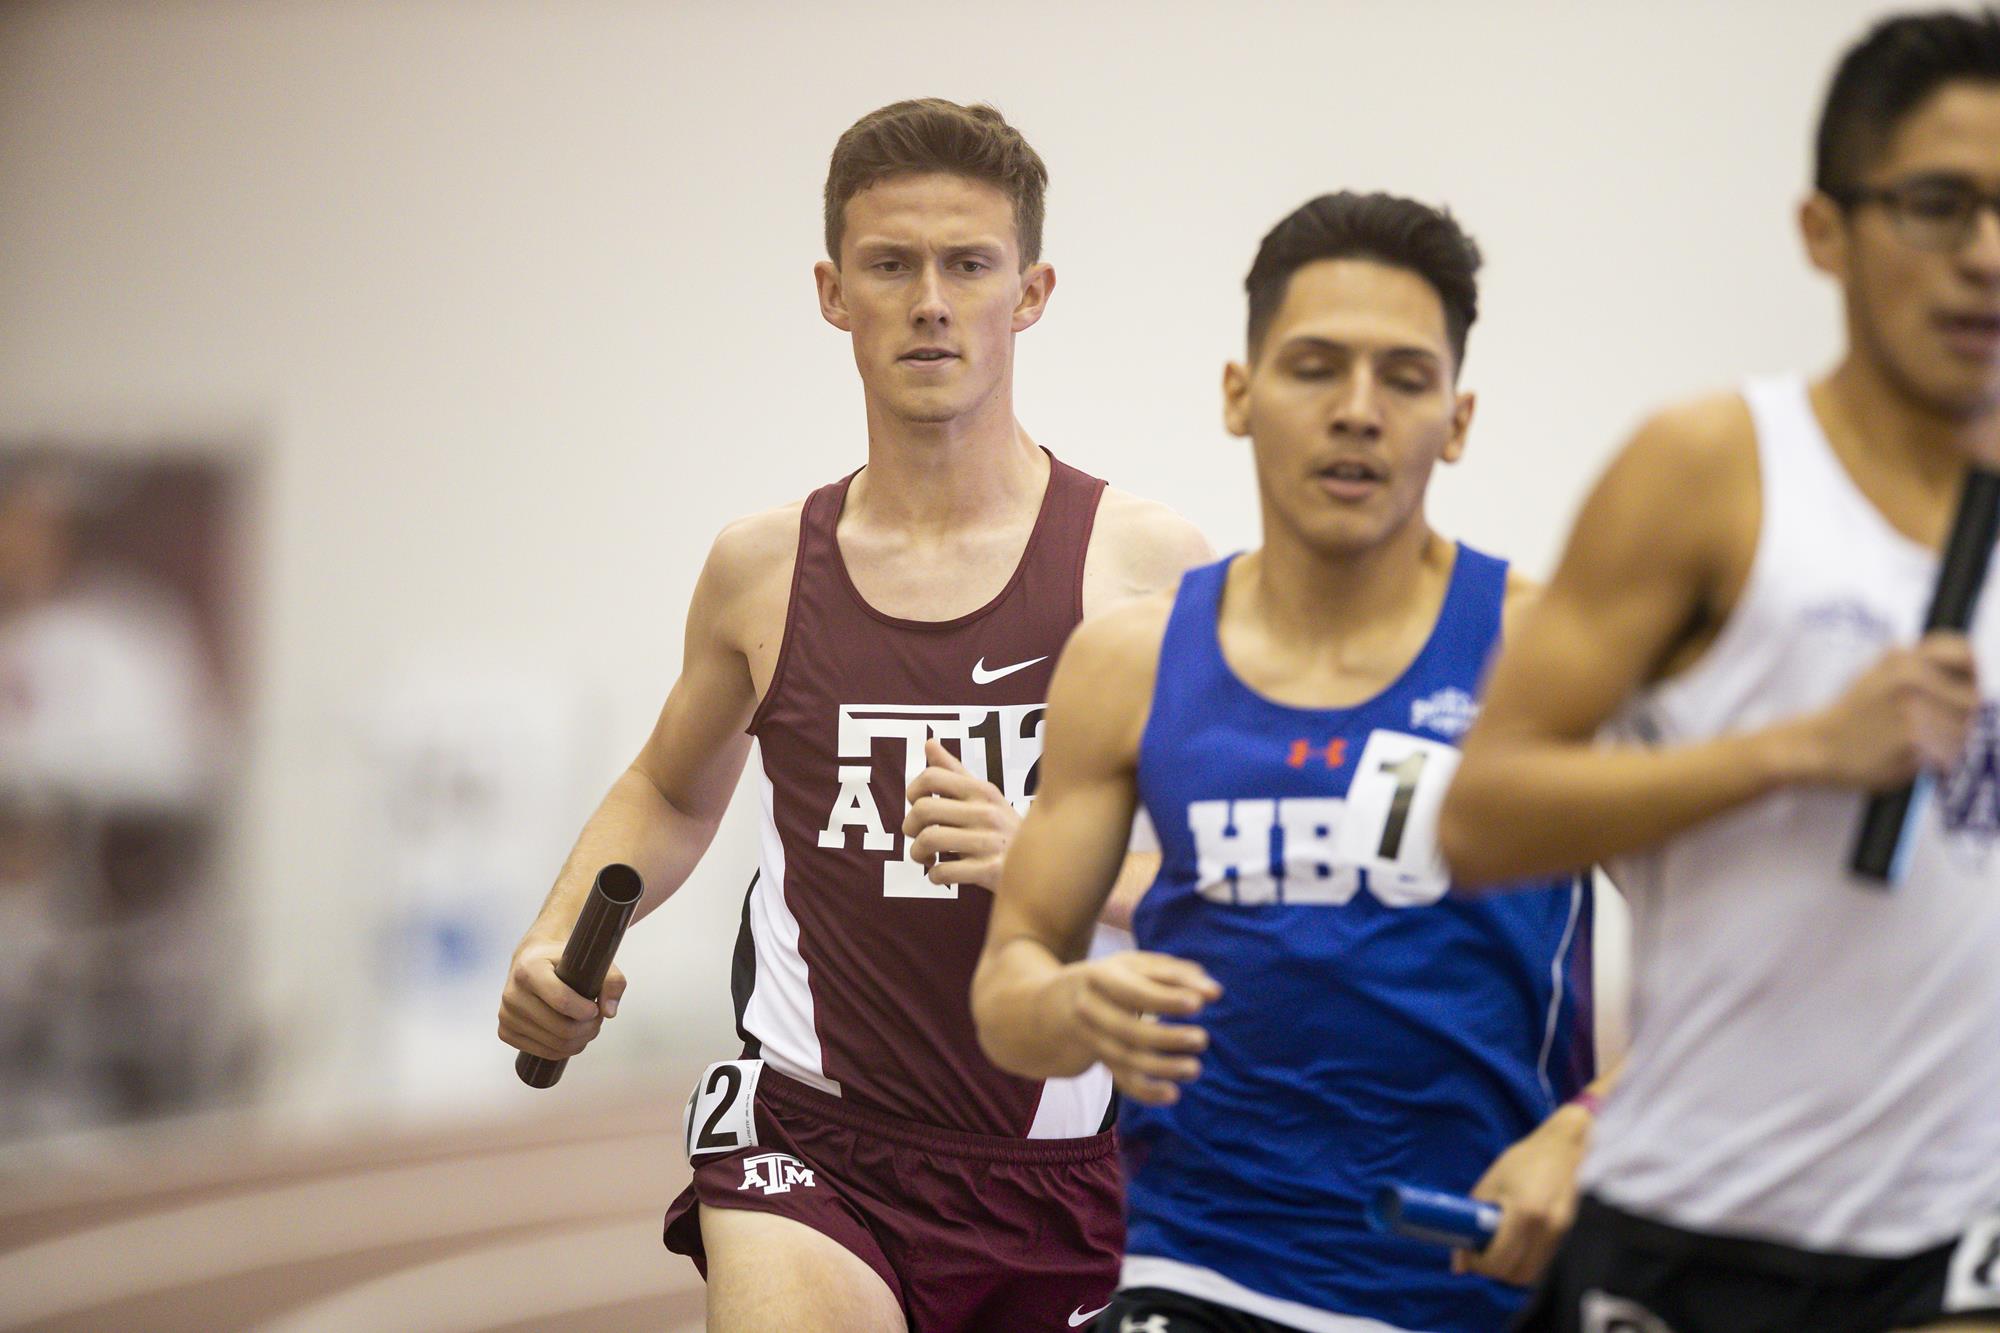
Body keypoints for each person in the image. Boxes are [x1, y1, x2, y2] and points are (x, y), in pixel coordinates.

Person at [495, 98, 1208, 1333]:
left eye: (967, 264)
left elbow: (1245, 879)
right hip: (814, 1143)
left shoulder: (1142, 569)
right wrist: (556, 937)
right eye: (890, 264)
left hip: (1069, 1167)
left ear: (1029, 291)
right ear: (833, 292)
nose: (929, 299)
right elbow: (670, 791)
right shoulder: (762, 570)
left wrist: (1044, 863)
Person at [1440, 11, 2000, 1332]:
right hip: (1703, 1235)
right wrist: (1799, 750)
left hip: (1956, 1235)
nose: (1986, 254)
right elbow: (1482, 816)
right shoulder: (1713, 470)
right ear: (1826, 230)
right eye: (1938, 205)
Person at [971, 191, 1608, 1333]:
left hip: (1473, 1281)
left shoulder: (1547, 652)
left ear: (1455, 418)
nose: (1356, 412)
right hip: (1202, 1268)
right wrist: (1068, 1000)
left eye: (1403, 378)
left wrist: (1591, 1123)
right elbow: (1008, 987)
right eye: (1314, 366)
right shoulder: (1129, 662)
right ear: (1239, 394)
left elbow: (1751, 951)